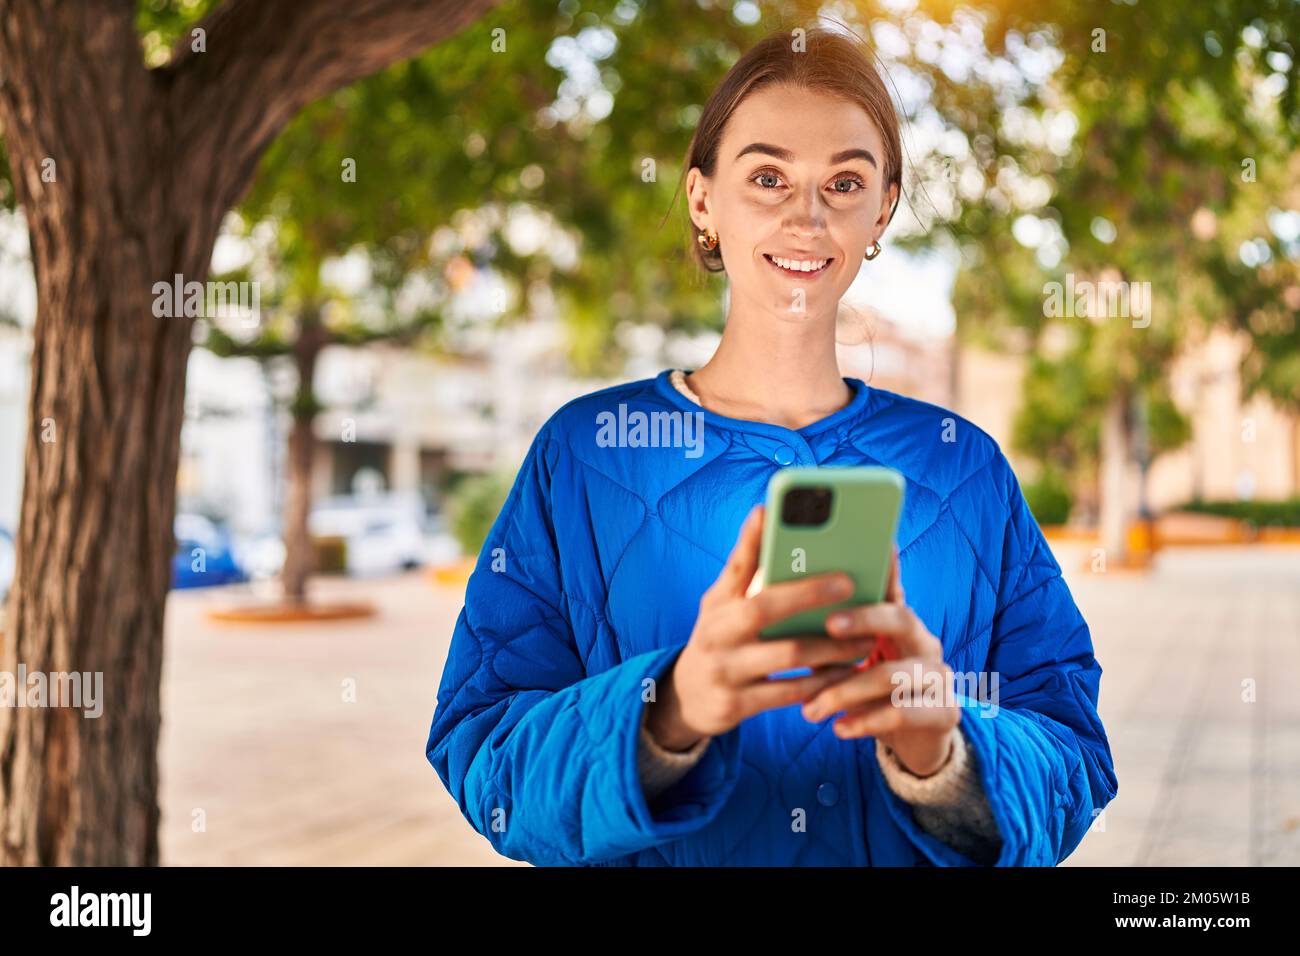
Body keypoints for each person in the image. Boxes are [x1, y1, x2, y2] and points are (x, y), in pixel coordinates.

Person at [425, 26, 1117, 866]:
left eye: (845, 181)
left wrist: (945, 754)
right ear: (702, 198)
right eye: (767, 176)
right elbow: (482, 751)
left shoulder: (962, 465)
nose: (806, 213)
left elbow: (1074, 751)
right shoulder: (583, 454)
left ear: (882, 211)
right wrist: (668, 711)